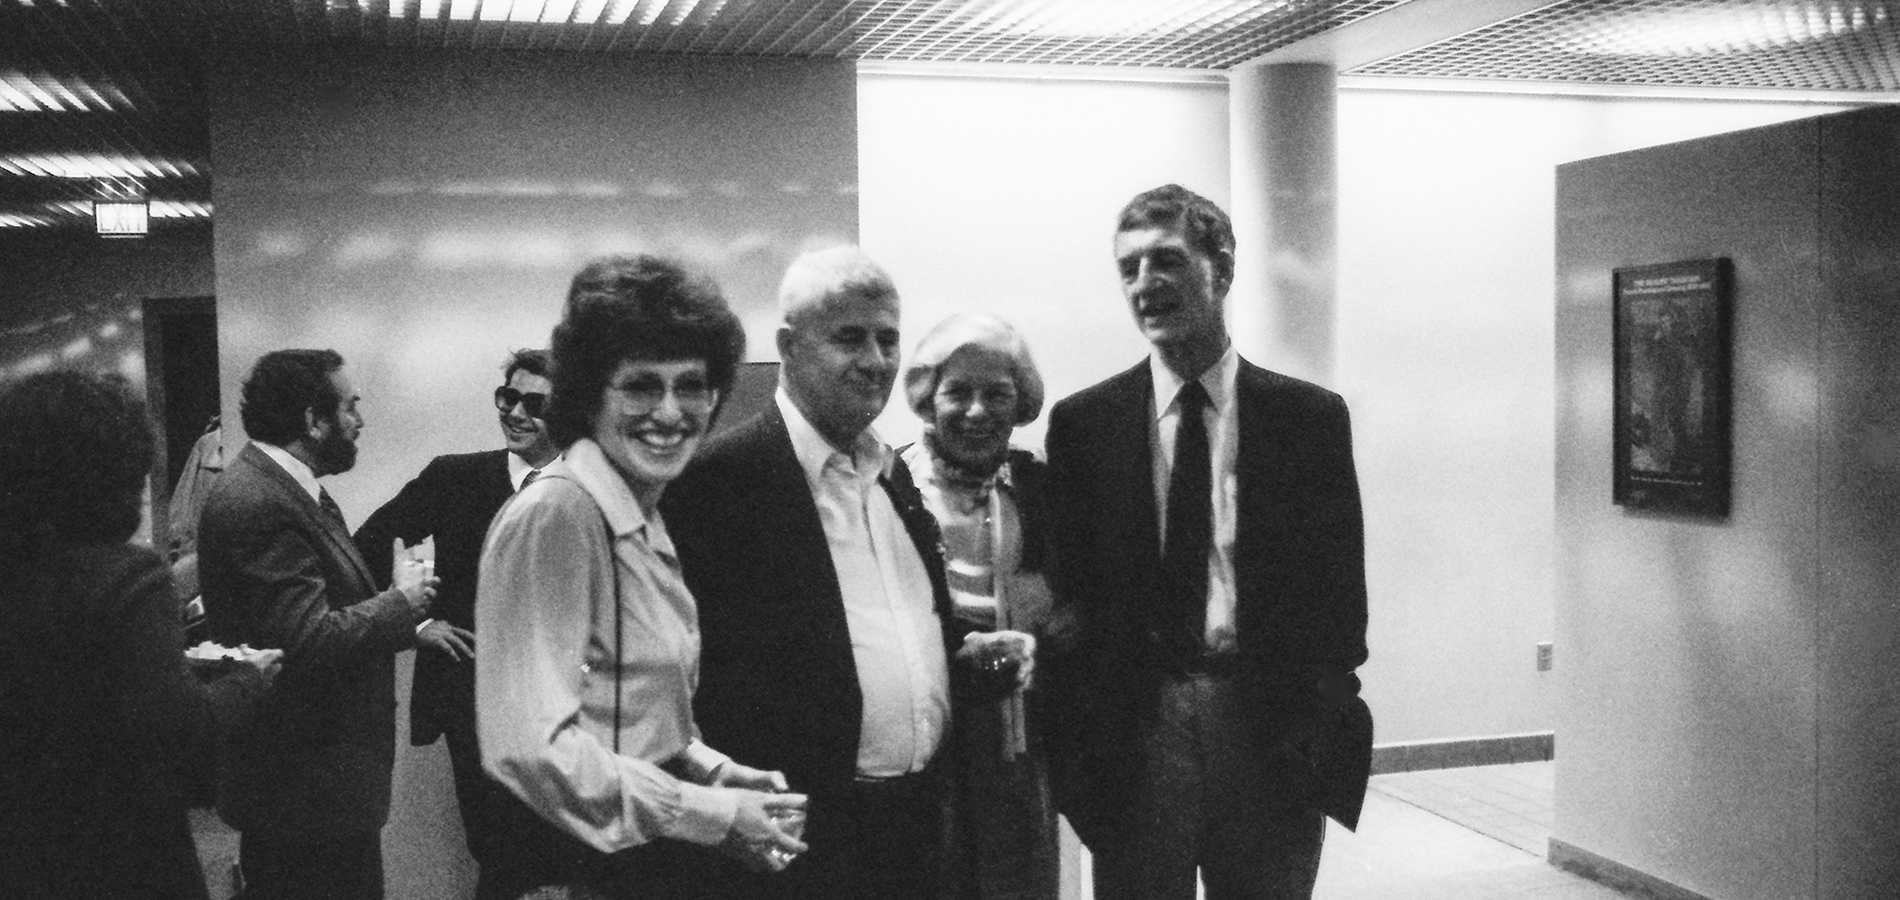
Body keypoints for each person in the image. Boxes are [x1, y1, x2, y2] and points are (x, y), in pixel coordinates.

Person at [1043, 184, 1373, 900]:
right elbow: (1070, 596)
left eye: (1166, 261)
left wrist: (1312, 726)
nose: (1145, 284)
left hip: (1265, 725)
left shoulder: (1308, 419)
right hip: (1138, 732)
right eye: (1128, 269)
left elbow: (1341, 600)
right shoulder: (1084, 425)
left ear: (1221, 269)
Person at [475, 254, 807, 900]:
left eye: (692, 385)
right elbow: (531, 749)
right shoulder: (558, 515)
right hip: (574, 873)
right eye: (641, 386)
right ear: (590, 395)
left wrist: (713, 770)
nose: (671, 410)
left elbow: (631, 713)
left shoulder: (642, 513)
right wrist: (710, 814)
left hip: (650, 867)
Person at [661, 245, 980, 900]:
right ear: (790, 345)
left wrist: (962, 657)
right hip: (795, 848)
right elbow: (671, 690)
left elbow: (893, 633)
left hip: (916, 833)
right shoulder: (714, 485)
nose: (876, 361)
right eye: (850, 338)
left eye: (888, 340)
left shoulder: (893, 478)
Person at [0, 370, 282, 900]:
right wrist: (247, 679)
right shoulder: (127, 580)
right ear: (116, 471)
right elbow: (179, 738)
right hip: (116, 854)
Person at [199, 349, 438, 900]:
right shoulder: (261, 501)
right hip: (304, 794)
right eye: (349, 407)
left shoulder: (287, 489)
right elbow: (306, 639)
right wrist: (401, 604)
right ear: (313, 420)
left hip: (317, 790)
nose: (359, 421)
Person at [352, 348, 561, 883]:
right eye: (507, 397)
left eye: (534, 402)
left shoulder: (594, 487)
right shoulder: (455, 478)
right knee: (496, 850)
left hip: (566, 707)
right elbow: (362, 550)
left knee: (563, 851)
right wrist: (415, 624)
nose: (515, 412)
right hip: (474, 701)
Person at [898, 314, 1059, 900]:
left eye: (997, 394)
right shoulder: (892, 483)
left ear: (1020, 404)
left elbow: (1069, 593)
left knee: (1018, 875)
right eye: (957, 392)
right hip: (927, 717)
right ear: (927, 397)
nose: (976, 410)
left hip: (1017, 722)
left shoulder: (1038, 484)